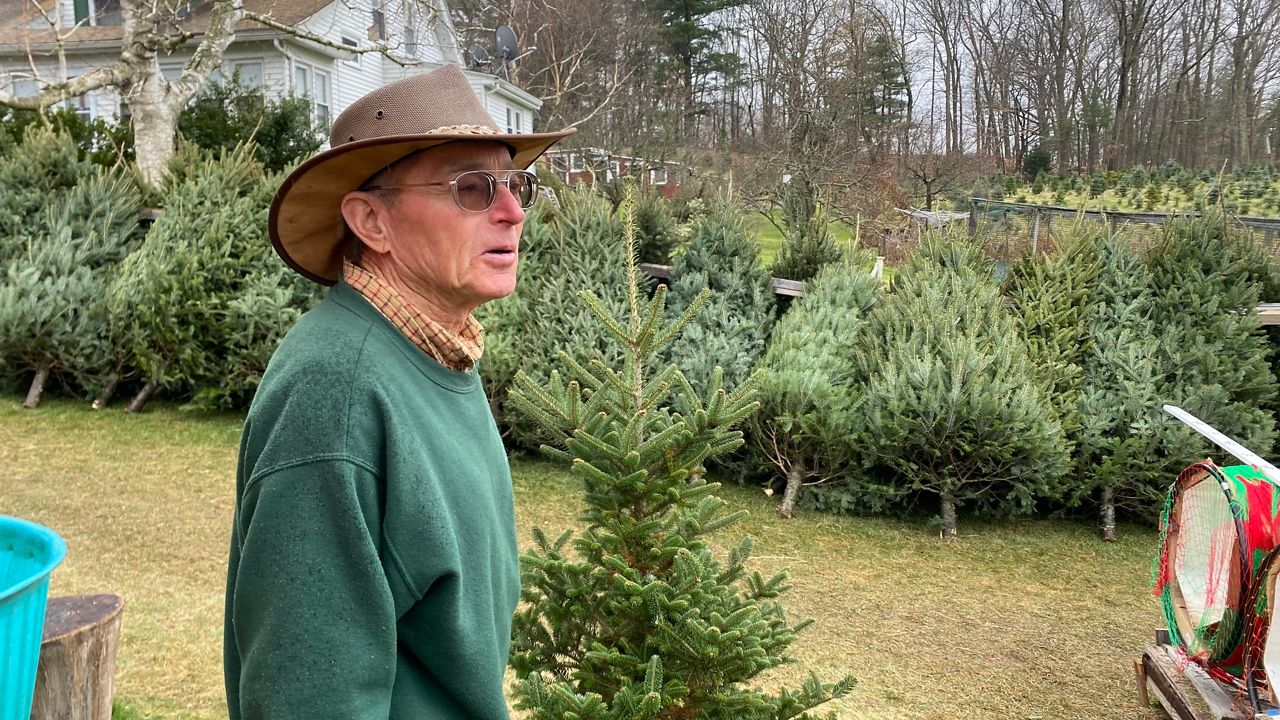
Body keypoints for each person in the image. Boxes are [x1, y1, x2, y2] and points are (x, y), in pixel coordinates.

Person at [223, 64, 574, 719]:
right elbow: (308, 697)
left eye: (516, 183)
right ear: (370, 222)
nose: (513, 211)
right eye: (473, 188)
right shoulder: (337, 393)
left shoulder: (436, 354)